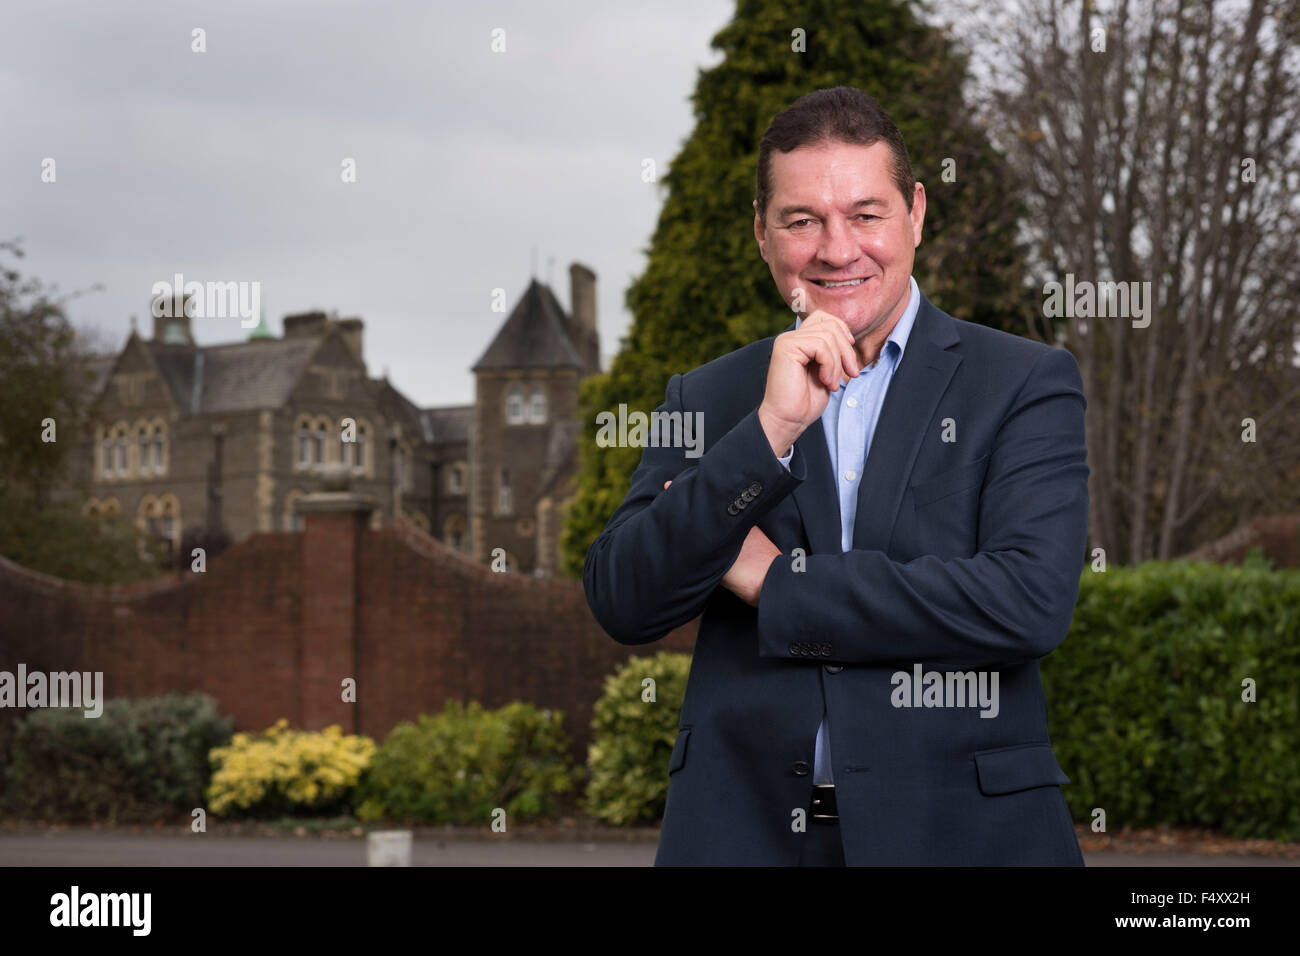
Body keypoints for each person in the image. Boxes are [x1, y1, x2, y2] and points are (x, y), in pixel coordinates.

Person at [583, 86, 1089, 866]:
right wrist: (769, 433)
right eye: (802, 220)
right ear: (762, 233)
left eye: (865, 214)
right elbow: (623, 596)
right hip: (743, 838)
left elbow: (1026, 604)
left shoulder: (1023, 382)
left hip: (966, 837)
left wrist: (775, 582)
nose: (837, 249)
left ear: (915, 212)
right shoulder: (711, 397)